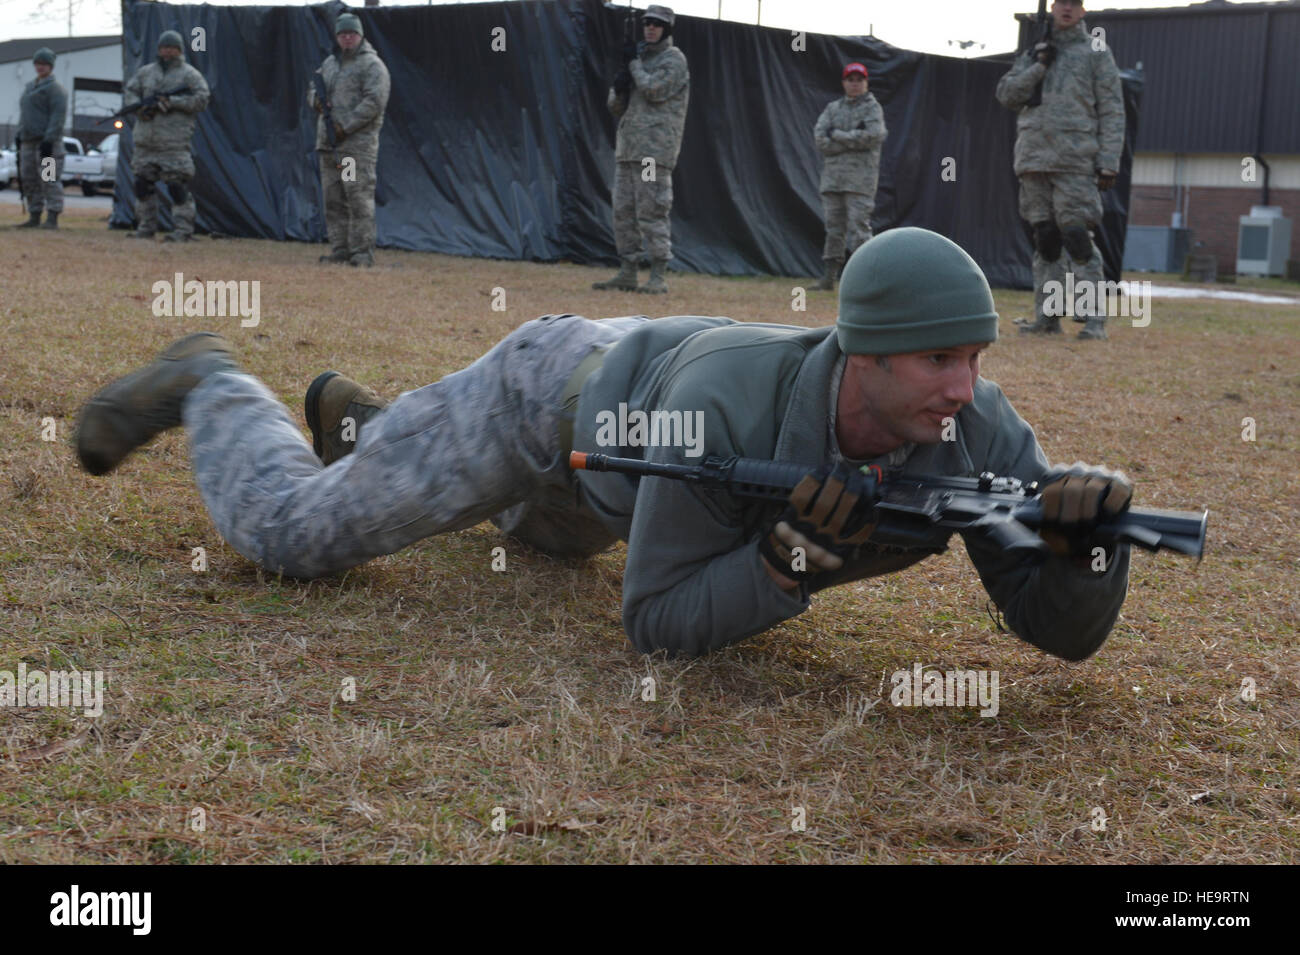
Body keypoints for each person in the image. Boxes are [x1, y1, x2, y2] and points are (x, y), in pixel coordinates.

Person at [75, 228, 1132, 661]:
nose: (966, 389)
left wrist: (1085, 549)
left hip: (624, 472)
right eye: (938, 360)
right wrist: (785, 564)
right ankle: (213, 378)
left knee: (545, 540)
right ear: (865, 355)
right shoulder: (722, 413)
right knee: (295, 536)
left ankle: (377, 428)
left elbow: (1062, 633)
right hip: (556, 397)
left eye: (976, 358)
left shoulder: (970, 426)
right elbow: (654, 618)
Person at [995, 0, 1124, 340]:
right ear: (1052, 7)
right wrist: (1038, 66)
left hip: (1075, 159)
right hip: (1034, 159)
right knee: (1046, 239)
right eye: (1062, 2)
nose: (1067, 8)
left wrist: (1109, 160)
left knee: (1077, 236)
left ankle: (1094, 318)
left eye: (1074, 3)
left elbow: (1113, 109)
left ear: (1083, 10)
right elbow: (1006, 95)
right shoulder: (1034, 51)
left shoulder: (1096, 51)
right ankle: (1048, 317)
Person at [592, 5, 689, 295]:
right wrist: (620, 83)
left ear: (667, 29)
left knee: (651, 210)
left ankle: (658, 274)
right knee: (623, 211)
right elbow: (616, 107)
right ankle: (628, 271)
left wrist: (633, 66)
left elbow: (654, 90)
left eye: (657, 24)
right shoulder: (639, 57)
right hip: (628, 150)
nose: (650, 28)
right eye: (647, 23)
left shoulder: (674, 59)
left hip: (653, 152)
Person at [307, 13, 391, 268]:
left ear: (360, 35)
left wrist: (347, 126)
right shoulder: (330, 64)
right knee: (333, 200)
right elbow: (312, 91)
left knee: (356, 198)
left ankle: (361, 253)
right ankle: (340, 250)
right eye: (342, 34)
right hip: (329, 145)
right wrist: (317, 101)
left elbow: (374, 102)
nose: (347, 38)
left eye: (351, 34)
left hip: (354, 147)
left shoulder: (372, 66)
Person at [123, 30, 211, 242]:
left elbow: (202, 99)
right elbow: (131, 93)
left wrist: (173, 103)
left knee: (177, 187)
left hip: (174, 143)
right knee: (142, 186)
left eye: (172, 47)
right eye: (164, 47)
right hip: (146, 142)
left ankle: (183, 231)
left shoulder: (189, 75)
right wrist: (140, 109)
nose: (167, 51)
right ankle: (145, 228)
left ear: (179, 50)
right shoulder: (145, 73)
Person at [812, 62, 887, 291]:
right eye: (850, 79)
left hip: (860, 181)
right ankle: (828, 278)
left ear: (866, 83)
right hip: (833, 180)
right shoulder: (833, 108)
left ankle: (864, 279)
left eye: (859, 80)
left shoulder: (872, 109)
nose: (854, 84)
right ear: (844, 82)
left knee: (859, 228)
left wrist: (839, 136)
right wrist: (852, 140)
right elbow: (821, 139)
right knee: (834, 228)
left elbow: (873, 136)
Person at [15, 47, 68, 230]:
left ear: (51, 66)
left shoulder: (56, 90)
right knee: (29, 179)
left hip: (47, 144)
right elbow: (25, 113)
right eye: (38, 63)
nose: (40, 67)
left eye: (44, 64)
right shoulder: (30, 88)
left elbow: (58, 117)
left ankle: (52, 216)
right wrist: (20, 134)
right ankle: (34, 214)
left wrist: (49, 139)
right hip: (28, 142)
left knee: (49, 179)